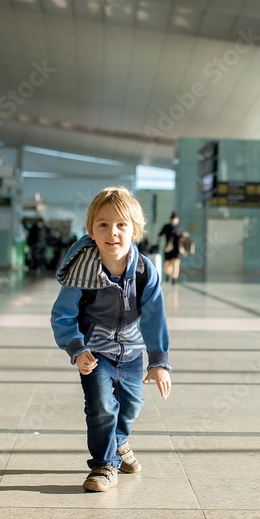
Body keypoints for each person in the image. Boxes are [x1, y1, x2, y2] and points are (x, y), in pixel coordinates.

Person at [50, 186, 172, 492]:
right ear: (91, 229)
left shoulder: (144, 270)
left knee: (131, 406)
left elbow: (156, 316)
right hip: (95, 353)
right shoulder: (82, 270)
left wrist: (158, 361)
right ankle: (104, 465)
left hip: (132, 352)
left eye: (121, 225)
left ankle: (118, 442)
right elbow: (62, 315)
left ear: (135, 230)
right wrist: (77, 349)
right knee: (102, 406)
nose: (112, 232)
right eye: (102, 224)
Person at [156, 212, 184, 284]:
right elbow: (160, 234)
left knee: (175, 263)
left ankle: (174, 278)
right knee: (167, 263)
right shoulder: (167, 227)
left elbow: (182, 236)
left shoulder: (179, 227)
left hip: (176, 249)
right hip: (168, 248)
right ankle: (168, 274)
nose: (173, 221)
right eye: (172, 219)